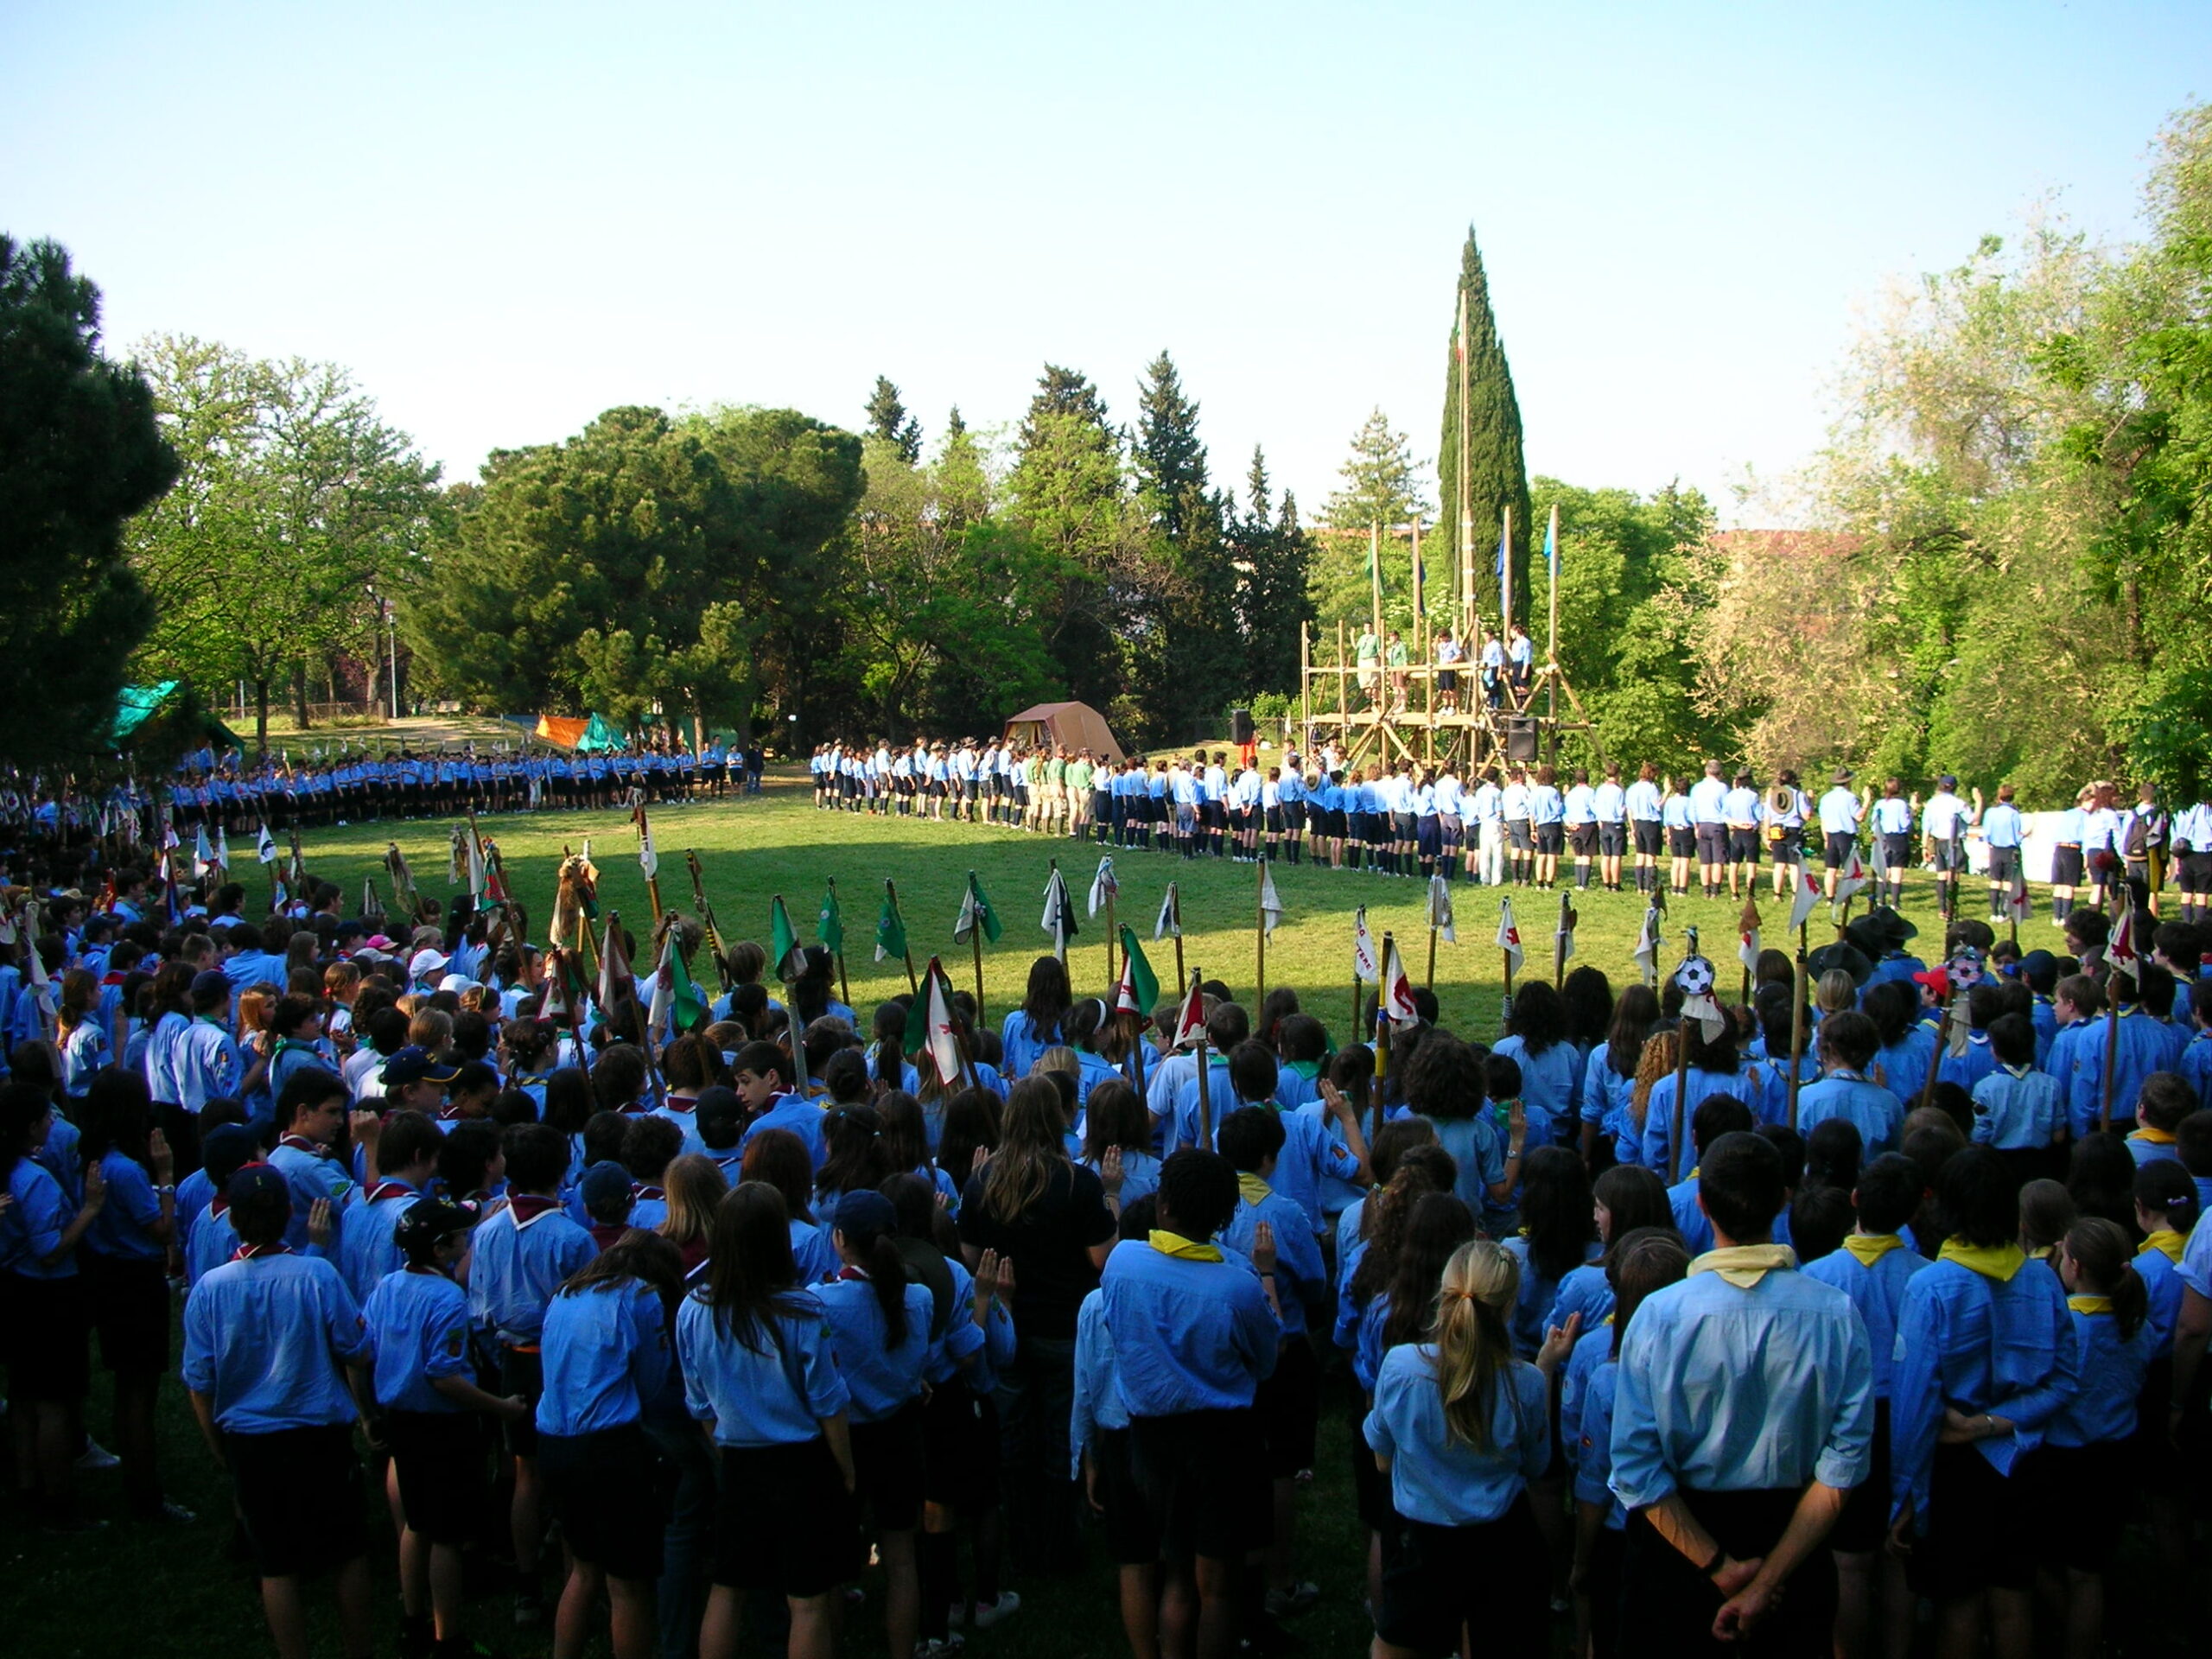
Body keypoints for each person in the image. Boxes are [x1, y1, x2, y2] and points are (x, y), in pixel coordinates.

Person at [1610, 1131, 1875, 1654]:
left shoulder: (1661, 1317)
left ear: (1702, 1204)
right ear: (1784, 1197)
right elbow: (1840, 1471)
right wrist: (1757, 1577)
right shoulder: (1835, 1315)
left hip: (1694, 1547)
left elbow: (1635, 1469)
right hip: (1784, 1541)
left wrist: (1729, 1571)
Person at [1889, 1145, 2081, 1659]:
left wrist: (1905, 1494)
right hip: (2022, 1459)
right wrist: (1999, 1423)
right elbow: (2064, 1382)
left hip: (1956, 1469)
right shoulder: (2042, 1279)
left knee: (1960, 1606)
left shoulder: (1928, 1286)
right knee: (2013, 1597)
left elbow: (1913, 1404)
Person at [181, 1165, 377, 1659]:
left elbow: (199, 1383)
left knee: (276, 1564)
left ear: (233, 1220)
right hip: (319, 1436)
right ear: (289, 1212)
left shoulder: (210, 1287)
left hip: (252, 1441)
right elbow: (356, 1347)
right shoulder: (316, 1274)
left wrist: (218, 1448)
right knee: (347, 1551)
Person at [1097, 1149, 1280, 1659]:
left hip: (1152, 1436)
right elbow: (1265, 1360)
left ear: (1163, 1206)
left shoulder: (1124, 1262)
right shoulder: (1238, 1285)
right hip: (1220, 1439)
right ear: (1224, 1218)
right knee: (1217, 1583)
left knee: (1177, 1569)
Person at [679, 1184, 855, 1659]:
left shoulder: (694, 1309)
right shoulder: (802, 1309)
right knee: (808, 1599)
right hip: (801, 1462)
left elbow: (699, 1402)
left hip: (739, 1458)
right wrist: (845, 1470)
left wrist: (726, 1448)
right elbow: (827, 1401)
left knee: (729, 1585)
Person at [1364, 1238, 1557, 1659]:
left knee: (1400, 1643)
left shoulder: (1401, 1366)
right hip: (1498, 1540)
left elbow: (1381, 1456)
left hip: (1421, 1540)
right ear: (1508, 1306)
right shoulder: (1524, 1382)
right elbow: (1536, 1464)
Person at [957, 1076, 1117, 1573]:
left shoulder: (983, 1181)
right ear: (1059, 1117)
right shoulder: (1077, 1182)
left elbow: (967, 1258)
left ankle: (1021, 1541)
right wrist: (1112, 1200)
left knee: (1014, 1435)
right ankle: (1059, 1543)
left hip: (1006, 1326)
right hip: (1062, 1328)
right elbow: (1101, 1260)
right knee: (1060, 1437)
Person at [361, 1198, 532, 1659]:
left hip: (401, 1420)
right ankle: (447, 1637)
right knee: (446, 1536)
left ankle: (412, 1620)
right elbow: (444, 1374)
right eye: (460, 1236)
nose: (467, 1241)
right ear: (441, 1250)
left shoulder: (387, 1286)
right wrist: (501, 1408)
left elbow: (365, 1348)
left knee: (415, 1524)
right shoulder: (447, 1299)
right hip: (442, 1427)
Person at [468, 1122, 599, 1626]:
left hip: (512, 1360)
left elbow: (479, 1308)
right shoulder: (572, 1237)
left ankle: (530, 1584)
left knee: (527, 1473)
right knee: (564, 1476)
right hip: (557, 1364)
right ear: (563, 1170)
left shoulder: (488, 1230)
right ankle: (572, 1584)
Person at [1802, 1153, 1929, 1659]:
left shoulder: (1819, 1275)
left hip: (1847, 1421)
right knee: (1896, 1556)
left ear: (1855, 1199)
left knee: (1850, 1562)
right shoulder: (1926, 1273)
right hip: (1906, 1419)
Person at [537, 1228, 685, 1659]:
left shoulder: (565, 1293)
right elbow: (652, 1377)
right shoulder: (641, 1297)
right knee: (628, 1587)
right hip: (610, 1449)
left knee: (583, 1571)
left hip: (555, 1442)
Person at [1571, 1229, 1691, 1659]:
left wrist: (1582, 1558)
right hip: (1698, 1530)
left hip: (1628, 1534)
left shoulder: (1607, 1376)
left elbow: (1594, 1481)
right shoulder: (1708, 1366)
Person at [2035, 1217, 2152, 1659]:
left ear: (2075, 1265)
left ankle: (2074, 1634)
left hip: (2065, 1463)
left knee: (2040, 1557)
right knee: (2089, 1571)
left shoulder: (2066, 1328)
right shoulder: (2136, 1325)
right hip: (2116, 1456)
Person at [1, 1080, 106, 1528]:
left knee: (24, 1396)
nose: (52, 1122)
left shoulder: (10, 1171)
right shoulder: (34, 1179)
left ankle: (28, 1484)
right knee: (54, 1403)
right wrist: (90, 1208)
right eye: (46, 1117)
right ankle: (58, 1497)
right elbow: (50, 1249)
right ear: (30, 1127)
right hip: (48, 1296)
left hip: (15, 1289)